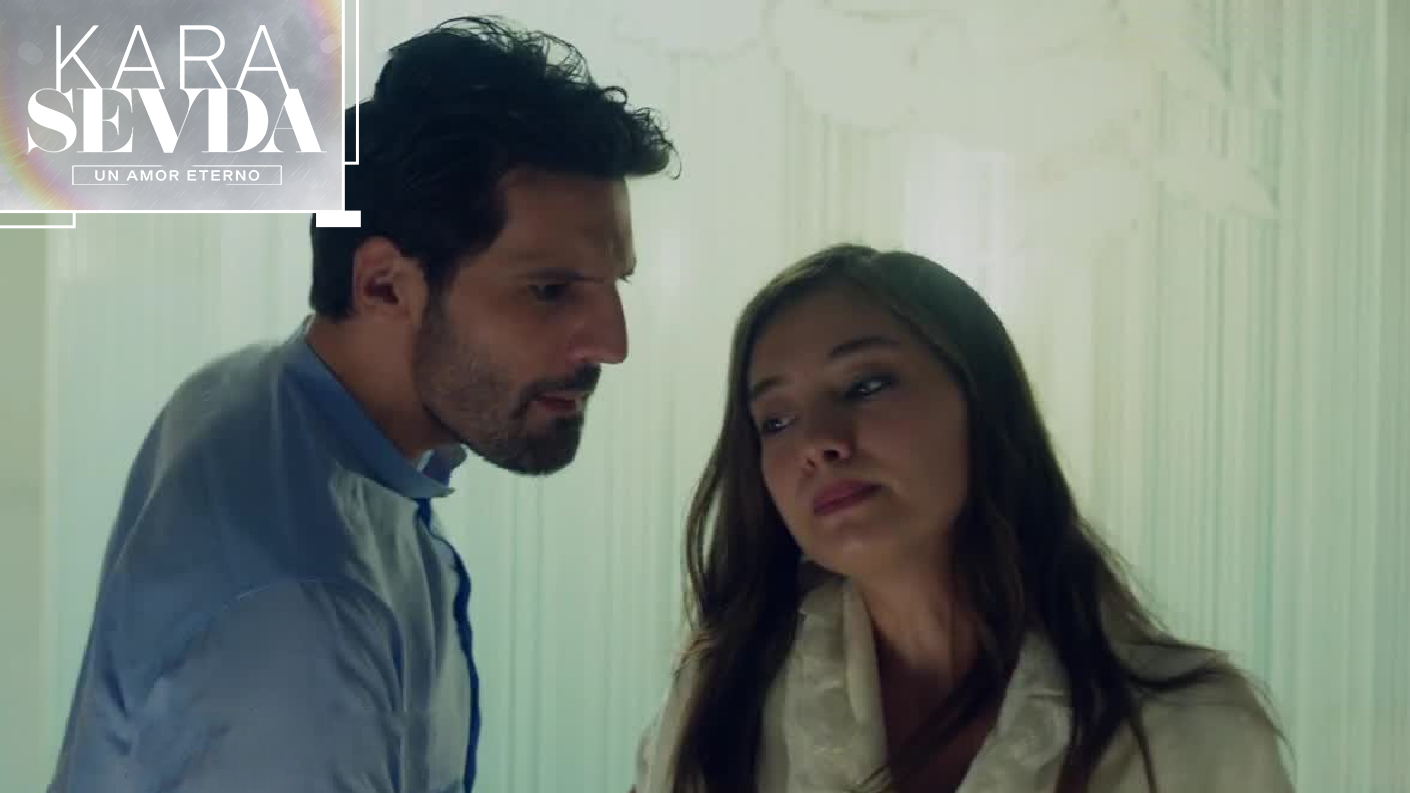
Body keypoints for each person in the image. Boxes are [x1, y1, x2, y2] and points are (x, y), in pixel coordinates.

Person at [49, 15, 674, 793]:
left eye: (614, 284)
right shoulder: (300, 628)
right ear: (383, 284)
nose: (611, 343)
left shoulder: (246, 391)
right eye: (550, 290)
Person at [632, 244, 1293, 793]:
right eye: (776, 420)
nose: (817, 442)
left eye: (865, 385)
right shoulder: (717, 704)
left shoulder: (1192, 732)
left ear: (982, 400)